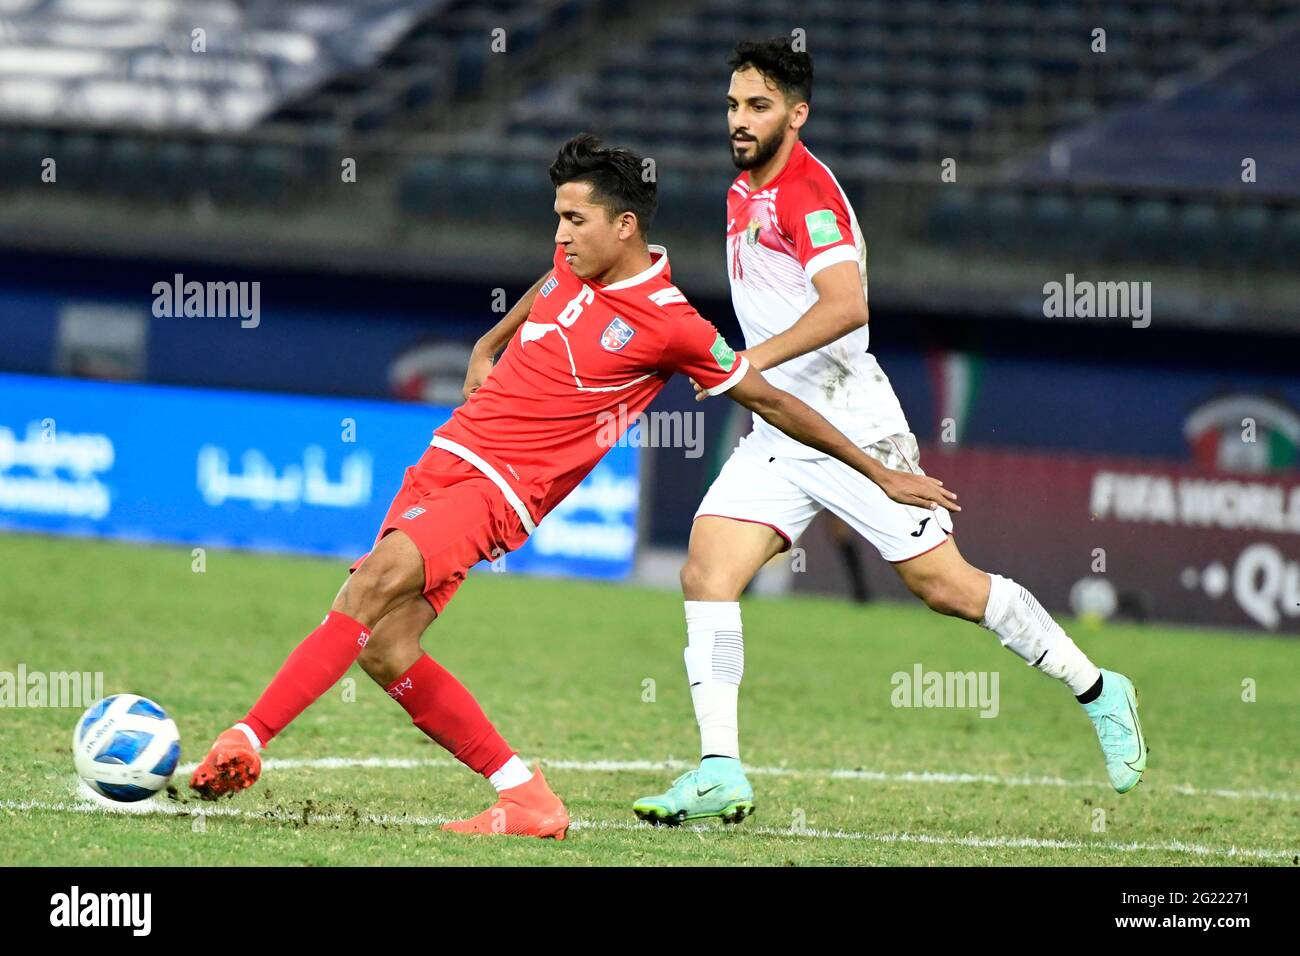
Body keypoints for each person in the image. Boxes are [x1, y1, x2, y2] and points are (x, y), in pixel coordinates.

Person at [189, 132, 958, 840]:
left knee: (368, 588)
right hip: (444, 459)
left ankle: (246, 739)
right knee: (386, 648)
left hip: (498, 490)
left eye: (573, 219)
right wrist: (488, 345)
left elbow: (775, 400)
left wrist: (880, 469)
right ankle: (525, 796)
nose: (560, 236)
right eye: (557, 218)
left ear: (624, 226)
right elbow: (543, 287)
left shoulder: (672, 324)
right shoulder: (572, 264)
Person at [631, 39, 1146, 827]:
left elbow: (847, 307)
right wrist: (752, 378)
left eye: (758, 106)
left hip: (845, 413)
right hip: (779, 422)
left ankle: (1099, 687)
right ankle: (720, 768)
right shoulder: (742, 191)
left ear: (796, 115)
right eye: (733, 104)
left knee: (945, 587)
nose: (739, 120)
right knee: (707, 573)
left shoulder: (807, 194)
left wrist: (743, 363)